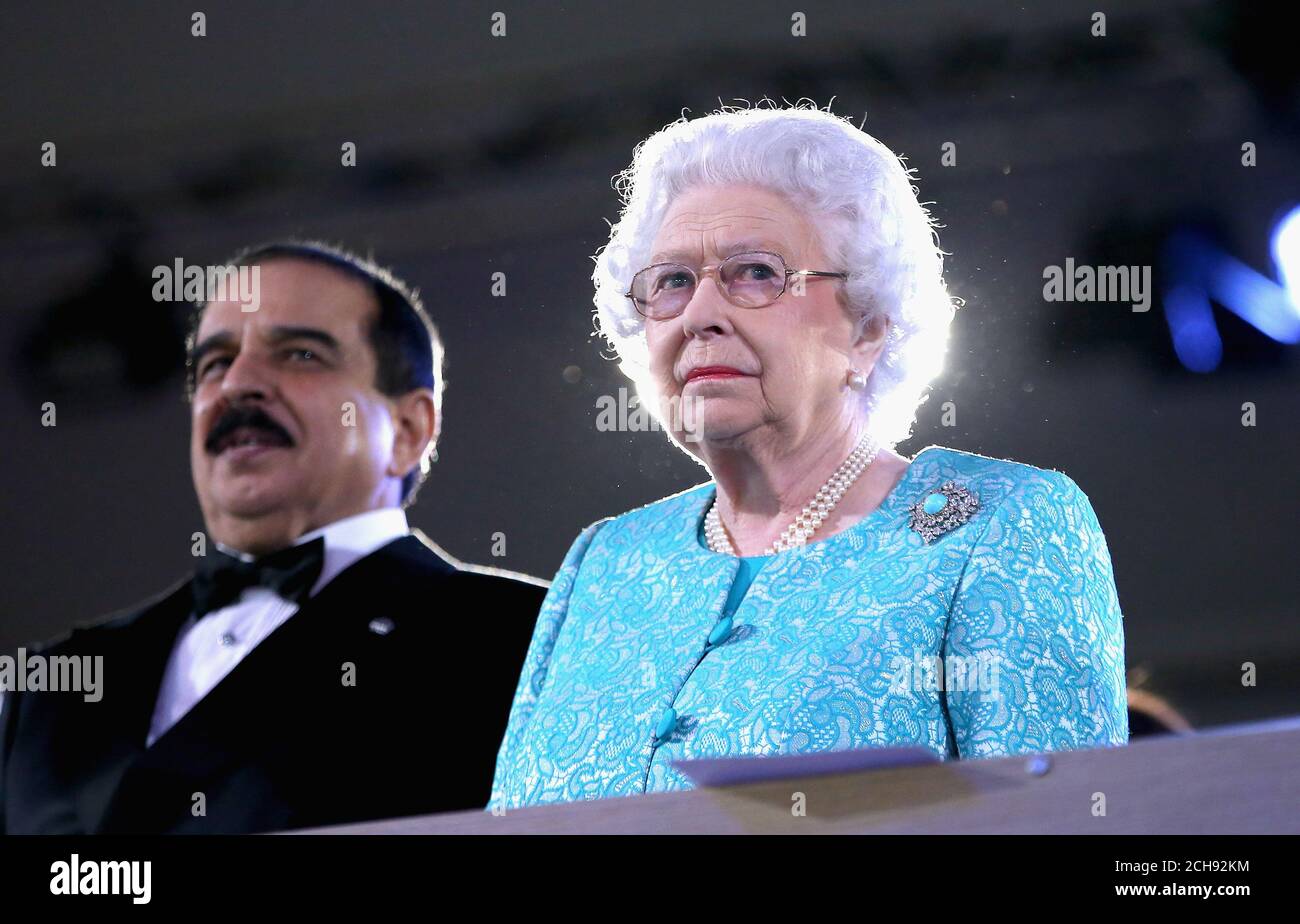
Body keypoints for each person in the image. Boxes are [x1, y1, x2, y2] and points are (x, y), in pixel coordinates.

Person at [492, 105, 1129, 809]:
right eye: (672, 281)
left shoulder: (995, 524)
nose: (700, 313)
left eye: (756, 273)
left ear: (868, 331)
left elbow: (1066, 824)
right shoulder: (604, 561)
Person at [0, 241, 545, 833]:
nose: (236, 385)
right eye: (215, 363)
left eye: (300, 354)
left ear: (409, 429)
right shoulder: (52, 683)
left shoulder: (522, 638)